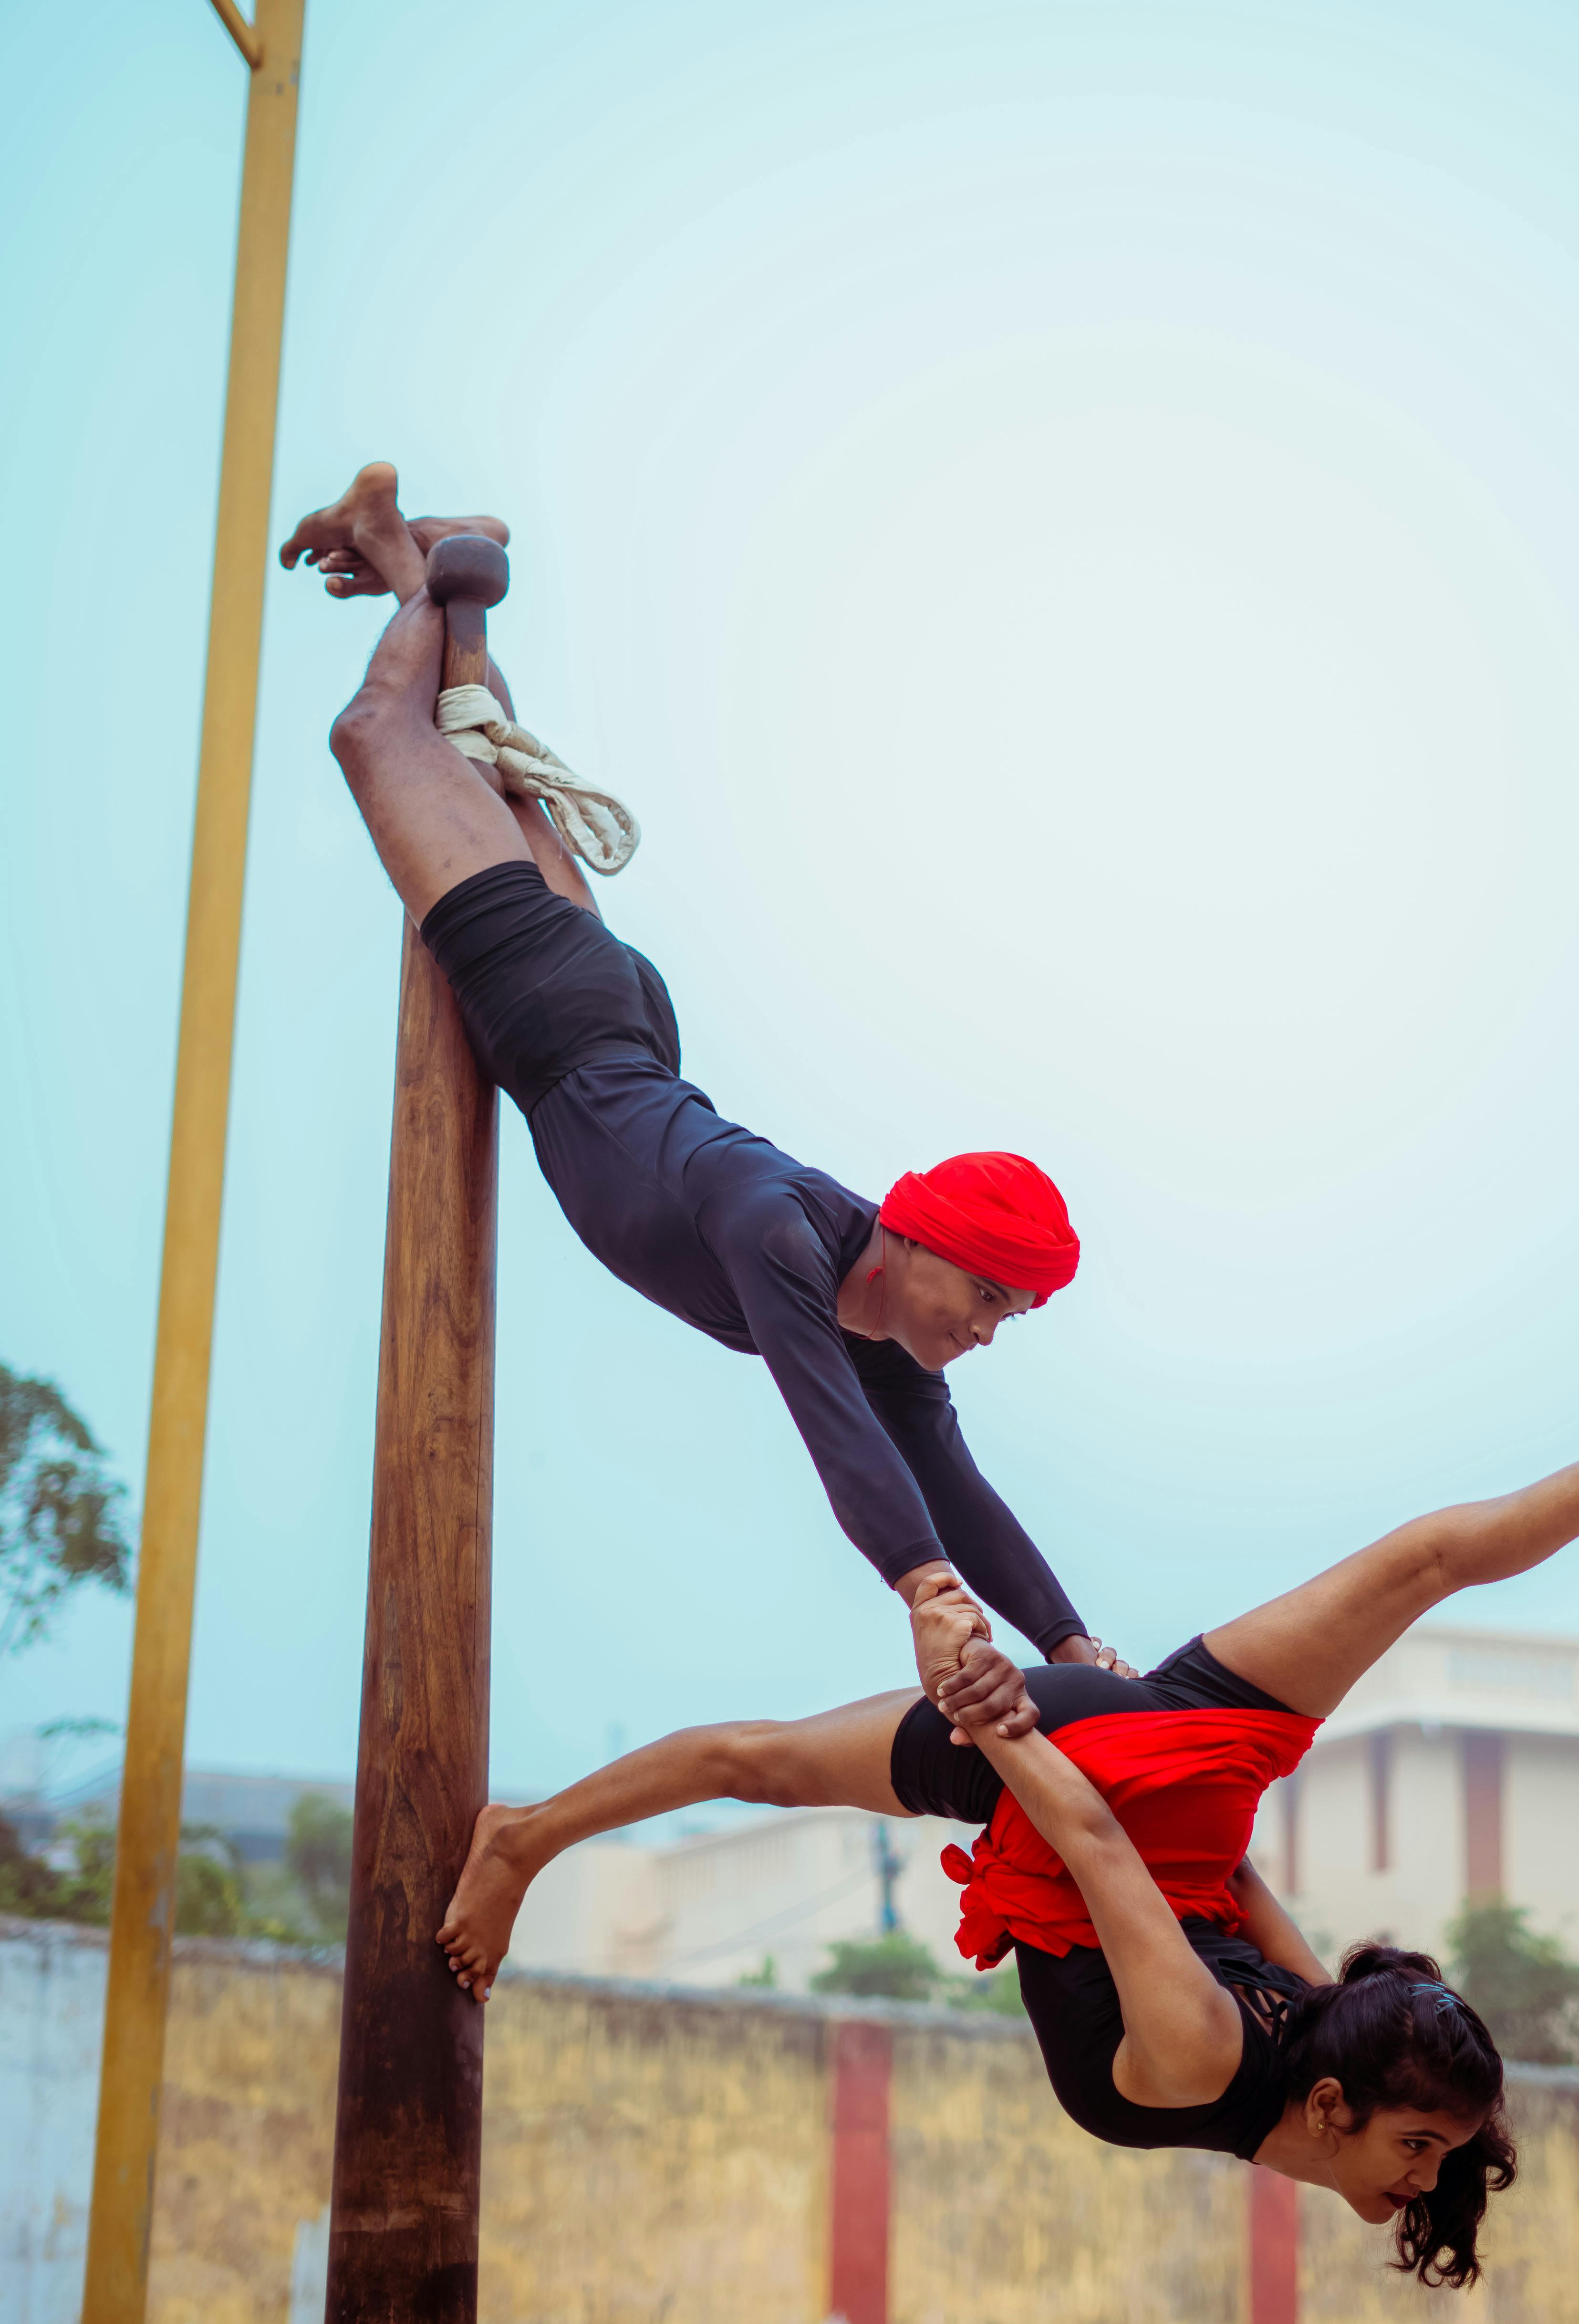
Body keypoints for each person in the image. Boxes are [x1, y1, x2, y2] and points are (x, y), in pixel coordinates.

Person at [437, 1278, 1579, 2278]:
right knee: (761, 1764)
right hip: (1075, 1791)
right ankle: (521, 1841)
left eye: (1435, 2156)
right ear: (1332, 2112)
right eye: (1421, 2148)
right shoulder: (1215, 2058)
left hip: (1158, 1779)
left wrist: (1107, 1701)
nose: (1426, 2176)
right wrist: (1001, 1716)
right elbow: (1100, 1850)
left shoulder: (1322, 2037)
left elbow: (1219, 1878)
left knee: (1423, 1564)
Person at [283, 464, 1105, 1728]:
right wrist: (925, 1590)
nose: (992, 1329)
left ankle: (430, 562)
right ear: (917, 1241)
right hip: (562, 1017)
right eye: (991, 1294)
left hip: (614, 1029)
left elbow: (954, 1483)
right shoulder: (783, 1233)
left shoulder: (869, 1305)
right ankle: (435, 574)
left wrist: (1073, 1641)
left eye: (1014, 1313)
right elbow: (835, 1432)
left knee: (488, 776)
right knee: (379, 738)